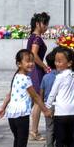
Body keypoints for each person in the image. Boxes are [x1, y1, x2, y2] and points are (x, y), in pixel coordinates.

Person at [0, 49, 49, 147]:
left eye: (32, 61)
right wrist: (46, 111)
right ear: (19, 63)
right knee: (21, 144)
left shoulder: (16, 76)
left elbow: (9, 94)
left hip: (12, 115)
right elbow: (36, 96)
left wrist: (3, 108)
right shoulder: (26, 79)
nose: (31, 64)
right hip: (21, 116)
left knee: (17, 141)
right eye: (28, 61)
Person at [26, 12, 50, 140]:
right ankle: (34, 132)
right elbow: (34, 55)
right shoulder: (37, 38)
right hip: (36, 71)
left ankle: (31, 130)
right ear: (37, 24)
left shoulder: (33, 37)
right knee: (37, 101)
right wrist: (45, 67)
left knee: (34, 101)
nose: (46, 27)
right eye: (44, 24)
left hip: (32, 70)